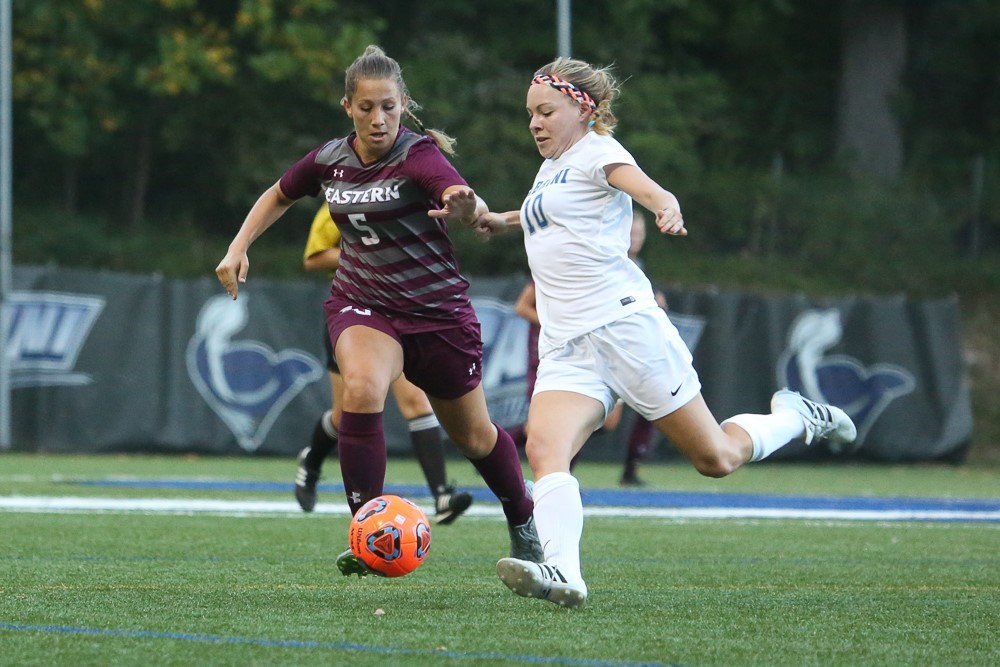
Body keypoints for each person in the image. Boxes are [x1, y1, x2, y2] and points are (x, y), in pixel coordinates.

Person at [472, 57, 857, 608]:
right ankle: (564, 574)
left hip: (626, 331)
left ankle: (796, 416)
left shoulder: (600, 151)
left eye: (545, 111)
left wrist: (663, 206)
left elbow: (645, 188)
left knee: (716, 458)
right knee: (545, 448)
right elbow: (549, 212)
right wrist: (498, 220)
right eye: (530, 113)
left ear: (581, 108)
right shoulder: (552, 166)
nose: (534, 123)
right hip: (568, 343)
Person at [215, 45, 541, 577]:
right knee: (362, 390)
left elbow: (461, 194)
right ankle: (367, 530)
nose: (378, 118)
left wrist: (467, 206)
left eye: (388, 106)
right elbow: (279, 194)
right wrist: (238, 247)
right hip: (364, 303)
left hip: (437, 314)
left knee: (476, 437)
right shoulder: (329, 159)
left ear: (404, 104)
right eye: (366, 107)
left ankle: (523, 517)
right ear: (348, 107)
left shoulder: (419, 155)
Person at [296, 204, 473, 525]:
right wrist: (371, 252)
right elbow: (313, 257)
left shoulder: (409, 194)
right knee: (343, 413)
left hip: (403, 313)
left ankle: (441, 494)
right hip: (355, 316)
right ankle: (311, 462)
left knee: (417, 401)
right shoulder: (341, 197)